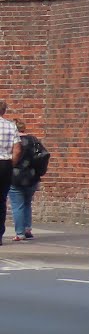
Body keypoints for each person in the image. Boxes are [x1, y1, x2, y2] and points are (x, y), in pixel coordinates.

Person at [9, 119, 39, 241]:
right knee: (27, 203)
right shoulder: (33, 140)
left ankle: (20, 233)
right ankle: (28, 230)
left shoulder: (14, 142)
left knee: (17, 205)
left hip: (15, 177)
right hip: (32, 177)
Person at [0, 102, 17, 246]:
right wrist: (11, 164)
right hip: (5, 164)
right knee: (2, 200)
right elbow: (17, 149)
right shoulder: (11, 126)